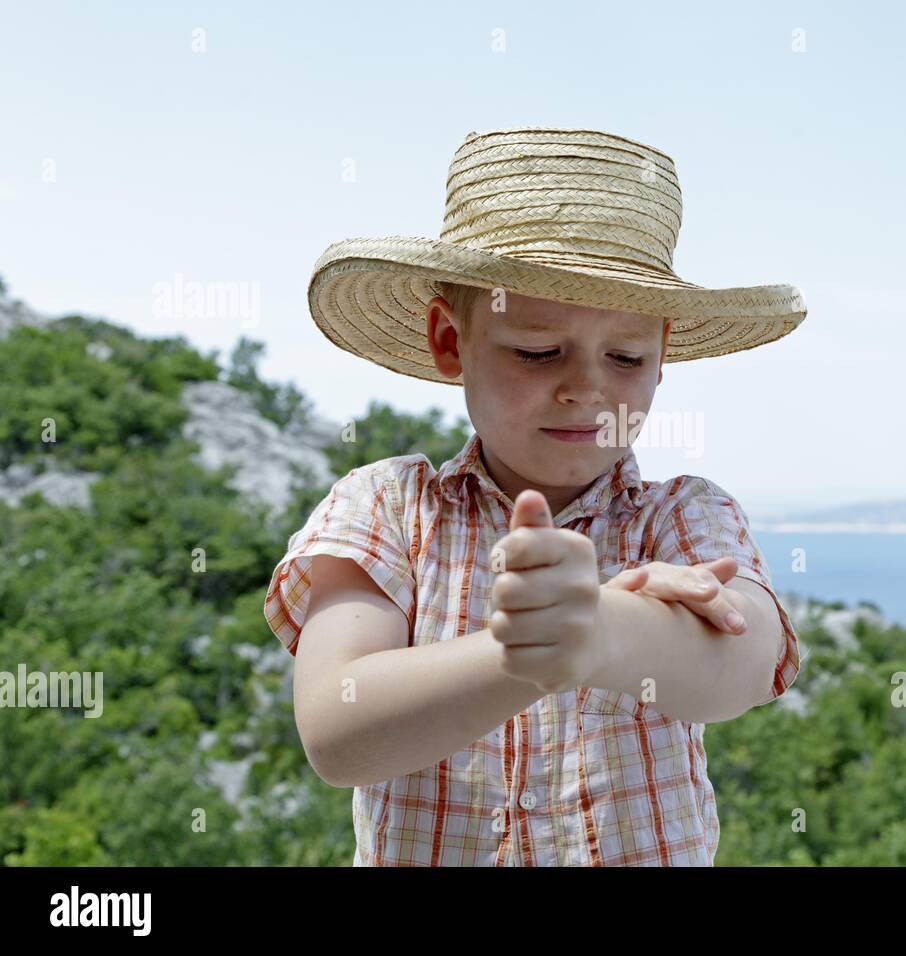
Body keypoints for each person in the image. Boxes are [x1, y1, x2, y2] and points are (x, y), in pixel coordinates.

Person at [263, 126, 806, 865]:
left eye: (626, 356)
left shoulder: (680, 514)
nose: (585, 386)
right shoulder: (386, 506)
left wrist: (604, 631)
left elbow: (747, 658)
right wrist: (531, 650)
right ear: (450, 341)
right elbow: (337, 730)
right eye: (538, 350)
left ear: (662, 357)